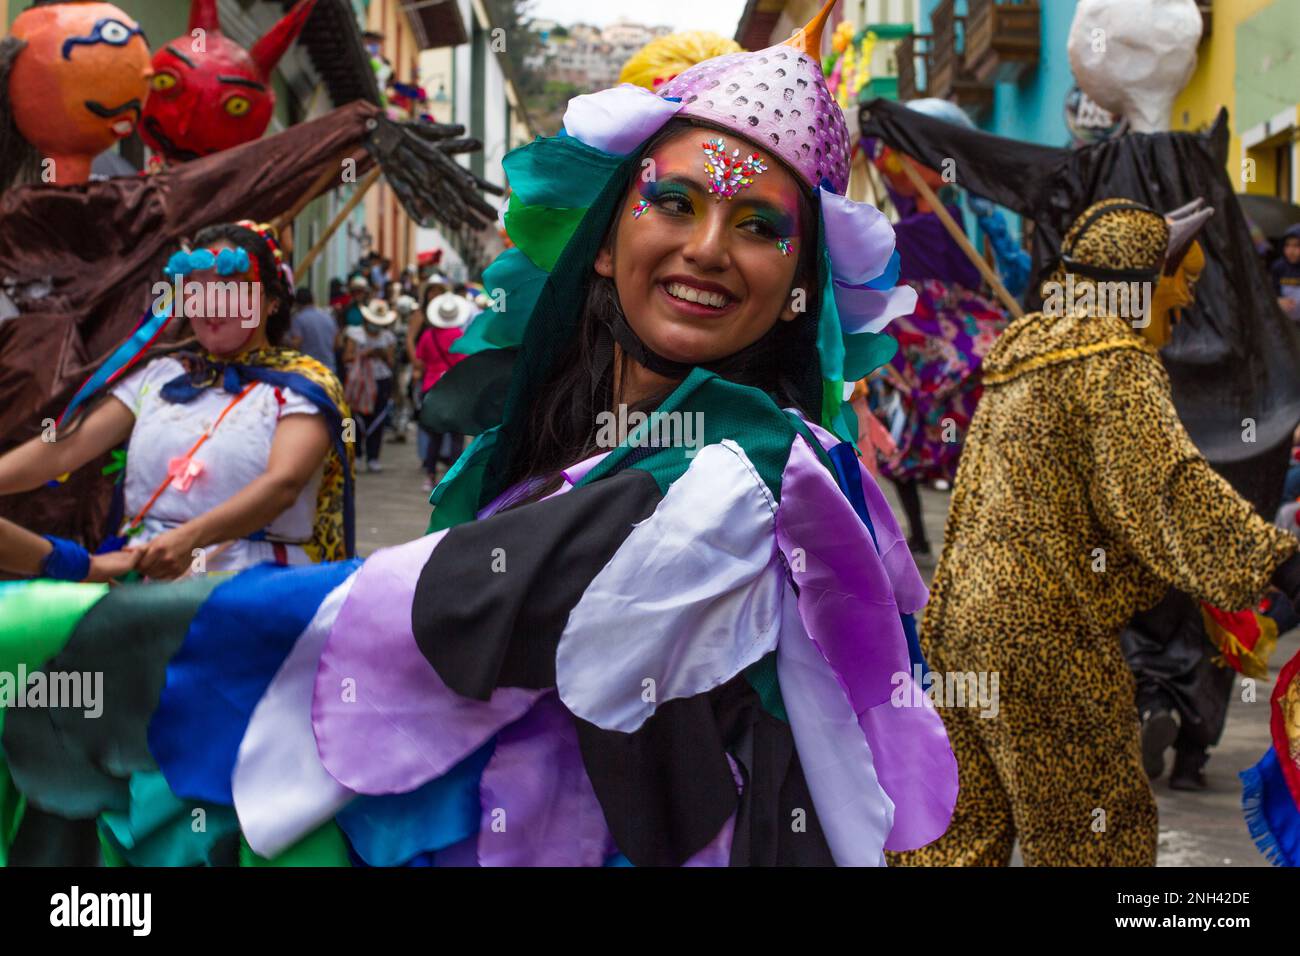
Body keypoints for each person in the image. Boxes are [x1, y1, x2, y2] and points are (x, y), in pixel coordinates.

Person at [0, 1, 956, 868]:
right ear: (604, 239)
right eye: (675, 202)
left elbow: (426, 619)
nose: (706, 247)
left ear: (799, 294)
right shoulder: (609, 441)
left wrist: (56, 630)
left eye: (757, 225)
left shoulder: (741, 478)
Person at [891, 198, 1300, 867]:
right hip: (1043, 640)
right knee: (1095, 840)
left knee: (959, 842)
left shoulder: (1025, 360)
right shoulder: (1112, 362)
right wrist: (1277, 563)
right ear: (1138, 284)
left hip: (958, 629)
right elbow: (1167, 491)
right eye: (1181, 281)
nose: (1186, 299)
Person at [0, 221, 355, 576]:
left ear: (271, 303)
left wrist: (190, 540)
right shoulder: (160, 375)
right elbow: (65, 448)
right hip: (145, 574)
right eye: (197, 293)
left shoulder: (302, 387)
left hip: (255, 584)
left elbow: (284, 484)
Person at [414, 291, 471, 490]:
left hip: (431, 389)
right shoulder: (458, 336)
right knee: (456, 436)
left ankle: (429, 477)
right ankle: (453, 478)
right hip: (454, 389)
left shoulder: (428, 336)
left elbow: (420, 360)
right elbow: (465, 365)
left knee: (434, 437)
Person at [343, 299, 398, 472]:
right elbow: (346, 357)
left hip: (381, 381)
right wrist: (363, 355)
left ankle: (373, 457)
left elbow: (391, 361)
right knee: (353, 419)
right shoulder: (354, 333)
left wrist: (381, 355)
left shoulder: (388, 337)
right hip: (359, 382)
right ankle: (354, 454)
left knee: (378, 419)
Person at [288, 287, 339, 374]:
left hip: (309, 371)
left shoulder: (298, 319)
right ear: (313, 299)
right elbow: (337, 343)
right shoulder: (328, 316)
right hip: (329, 370)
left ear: (297, 303)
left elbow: (296, 344)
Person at [1273, 223, 1300, 320]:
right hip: (1286, 321)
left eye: (1297, 246)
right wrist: (1278, 300)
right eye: (1287, 245)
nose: (1291, 251)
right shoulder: (1279, 267)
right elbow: (1271, 291)